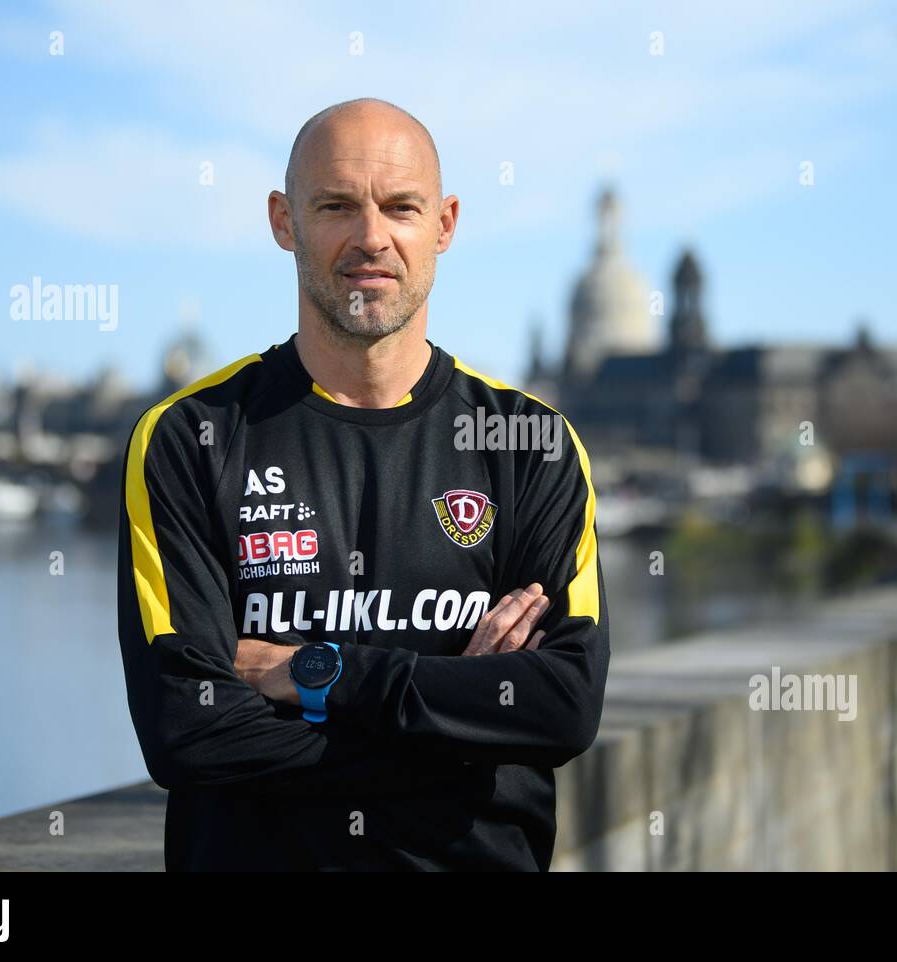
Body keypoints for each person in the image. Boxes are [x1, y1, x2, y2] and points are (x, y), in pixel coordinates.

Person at [116, 97, 609, 870]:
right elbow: (189, 732)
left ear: (444, 225)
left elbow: (562, 707)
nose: (371, 237)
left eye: (401, 208)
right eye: (337, 205)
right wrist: (461, 722)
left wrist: (320, 671)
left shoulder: (531, 444)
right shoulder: (190, 437)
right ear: (285, 222)